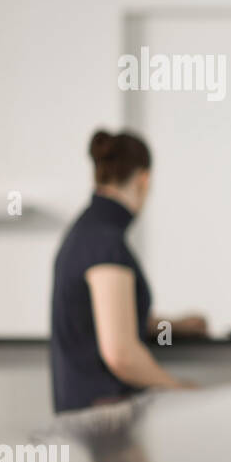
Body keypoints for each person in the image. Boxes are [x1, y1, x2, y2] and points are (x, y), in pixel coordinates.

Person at [50, 130, 204, 411]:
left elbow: (103, 320)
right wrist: (179, 389)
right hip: (103, 422)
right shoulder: (104, 244)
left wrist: (175, 326)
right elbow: (120, 354)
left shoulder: (85, 234)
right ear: (145, 179)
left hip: (85, 419)